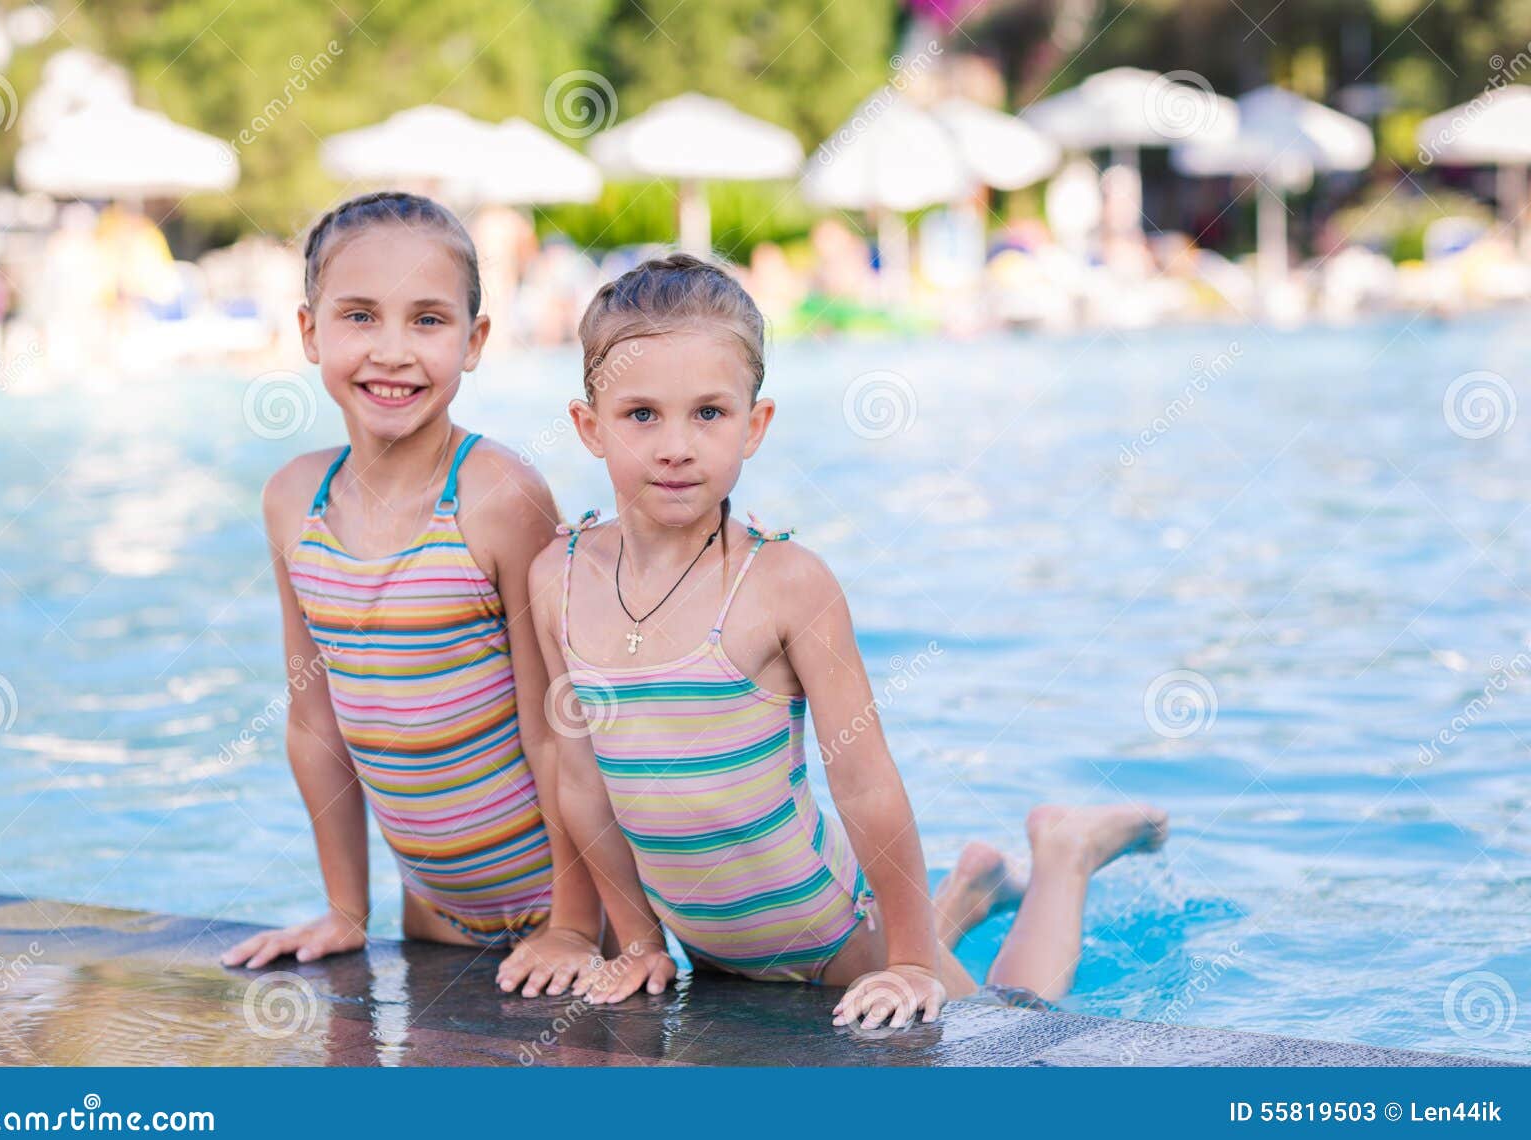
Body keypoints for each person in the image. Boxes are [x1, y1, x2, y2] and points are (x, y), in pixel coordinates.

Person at [527, 253, 1169, 1029]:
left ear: (754, 425)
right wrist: (637, 939)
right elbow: (579, 778)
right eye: (641, 415)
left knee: (1018, 1018)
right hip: (712, 947)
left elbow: (863, 780)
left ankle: (1064, 851)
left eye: (709, 413)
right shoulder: (556, 580)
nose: (675, 445)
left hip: (833, 930)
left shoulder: (785, 583)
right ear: (588, 426)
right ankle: (969, 886)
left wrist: (905, 960)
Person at [220, 192, 605, 999]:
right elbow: (314, 719)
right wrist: (344, 912)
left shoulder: (498, 496)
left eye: (427, 320)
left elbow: (561, 731)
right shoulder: (293, 501)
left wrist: (570, 922)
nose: (392, 351)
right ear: (308, 331)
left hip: (571, 908)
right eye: (360, 316)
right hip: (430, 914)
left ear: (475, 341)